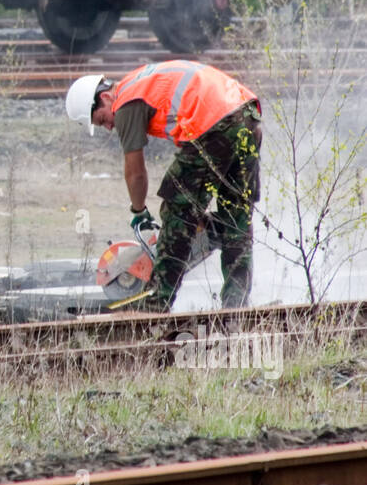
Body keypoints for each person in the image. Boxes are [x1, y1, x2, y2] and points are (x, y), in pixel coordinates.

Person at [66, 60, 262, 310]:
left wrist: (138, 211)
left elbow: (135, 172)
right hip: (248, 115)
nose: (108, 127)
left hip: (217, 123)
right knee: (237, 217)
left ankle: (157, 303)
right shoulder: (140, 81)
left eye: (102, 119)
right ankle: (236, 306)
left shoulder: (126, 101)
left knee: (178, 211)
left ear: (105, 97)